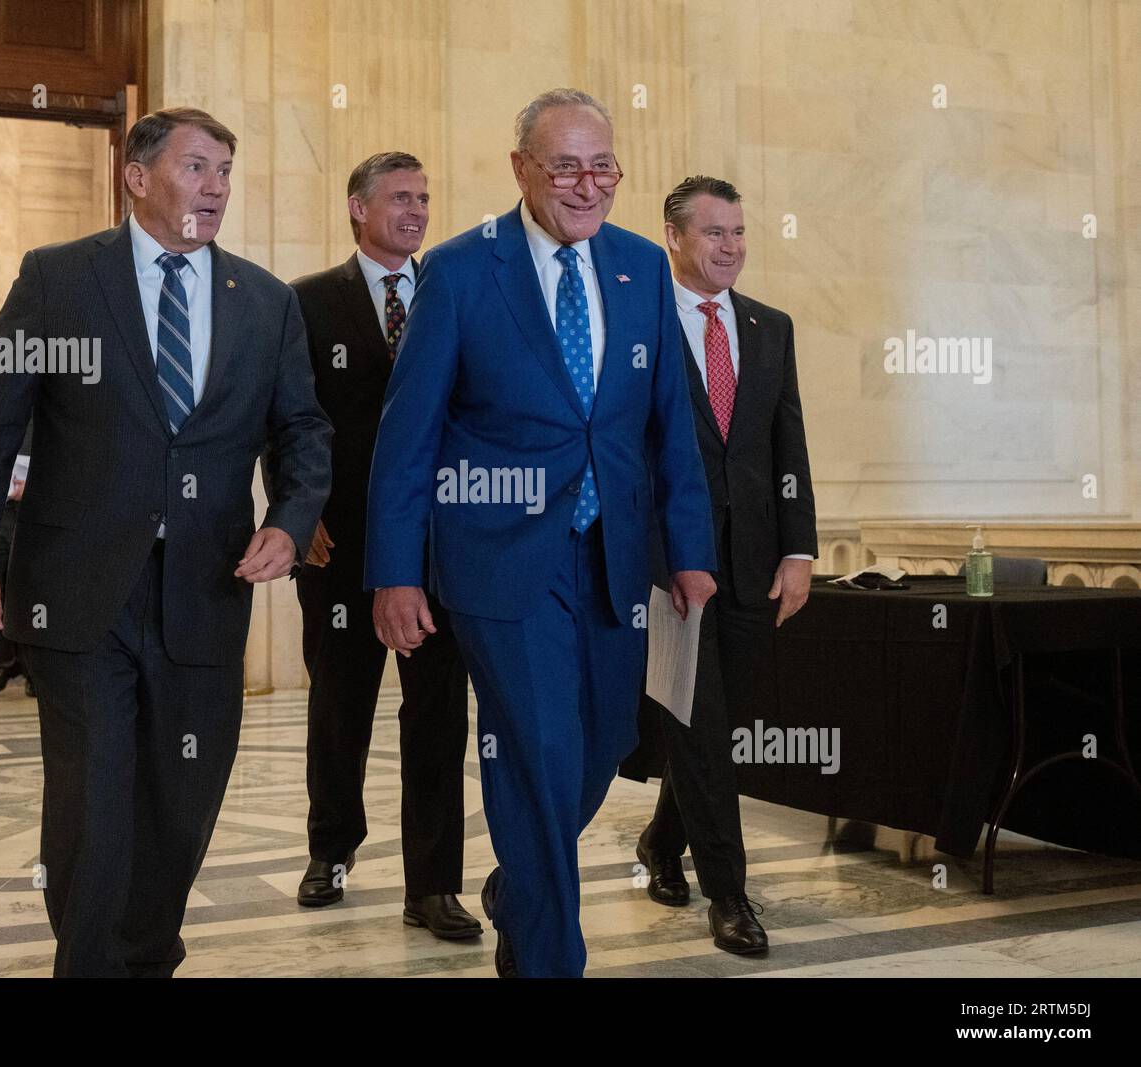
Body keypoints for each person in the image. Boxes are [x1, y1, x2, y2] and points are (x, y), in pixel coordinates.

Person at [0, 107, 333, 977]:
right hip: (79, 595)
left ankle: (147, 957)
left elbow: (302, 431)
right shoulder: (61, 280)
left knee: (182, 796)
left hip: (204, 589)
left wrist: (290, 521)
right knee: (94, 795)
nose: (217, 186)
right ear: (138, 177)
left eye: (226, 170)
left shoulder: (265, 302)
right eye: (197, 167)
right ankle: (88, 965)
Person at [365, 89, 716, 977]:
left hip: (613, 559)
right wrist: (394, 573)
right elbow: (407, 438)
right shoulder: (459, 270)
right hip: (500, 562)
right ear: (520, 167)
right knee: (536, 747)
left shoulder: (641, 269)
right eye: (565, 164)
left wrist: (690, 551)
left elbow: (669, 425)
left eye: (602, 166)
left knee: (600, 744)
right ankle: (552, 956)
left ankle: (521, 885)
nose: (587, 183)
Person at [621, 175, 817, 955]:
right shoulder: (640, 322)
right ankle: (730, 894)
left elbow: (786, 446)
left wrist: (799, 549)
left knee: (718, 726)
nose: (731, 246)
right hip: (671, 566)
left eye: (738, 232)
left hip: (754, 563)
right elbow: (629, 450)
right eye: (714, 233)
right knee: (696, 727)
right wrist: (657, 562)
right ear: (673, 236)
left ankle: (661, 842)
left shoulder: (771, 326)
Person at [290, 152, 479, 940]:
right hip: (340, 546)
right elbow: (284, 416)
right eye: (400, 197)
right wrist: (297, 512)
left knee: (438, 713)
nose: (417, 210)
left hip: (437, 549)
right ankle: (330, 849)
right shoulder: (302, 303)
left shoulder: (453, 293)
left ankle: (432, 886)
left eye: (425, 198)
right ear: (357, 208)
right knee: (341, 706)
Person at [0, 422, 35, 697]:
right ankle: (5, 662)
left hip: (36, 518)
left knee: (28, 590)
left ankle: (31, 669)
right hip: (0, 515)